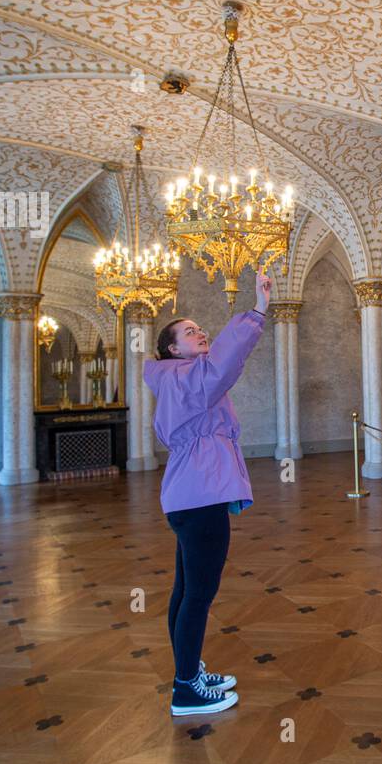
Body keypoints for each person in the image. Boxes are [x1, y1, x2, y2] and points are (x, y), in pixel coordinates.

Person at [143, 271, 271, 716]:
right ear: (173, 348)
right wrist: (257, 310)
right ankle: (185, 691)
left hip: (191, 495)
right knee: (198, 595)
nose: (202, 333)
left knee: (186, 590)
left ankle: (189, 672)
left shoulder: (177, 378)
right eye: (190, 331)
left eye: (201, 328)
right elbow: (225, 363)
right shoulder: (186, 378)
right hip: (199, 498)